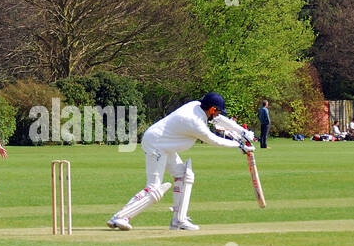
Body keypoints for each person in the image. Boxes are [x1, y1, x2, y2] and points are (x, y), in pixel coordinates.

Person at [107, 92, 251, 231]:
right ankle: (120, 217)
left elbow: (219, 120)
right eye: (218, 111)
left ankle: (179, 220)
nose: (218, 115)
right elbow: (213, 140)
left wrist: (243, 133)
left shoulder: (196, 105)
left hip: (164, 144)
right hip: (156, 144)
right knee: (154, 187)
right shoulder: (194, 122)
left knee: (184, 175)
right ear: (212, 109)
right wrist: (238, 145)